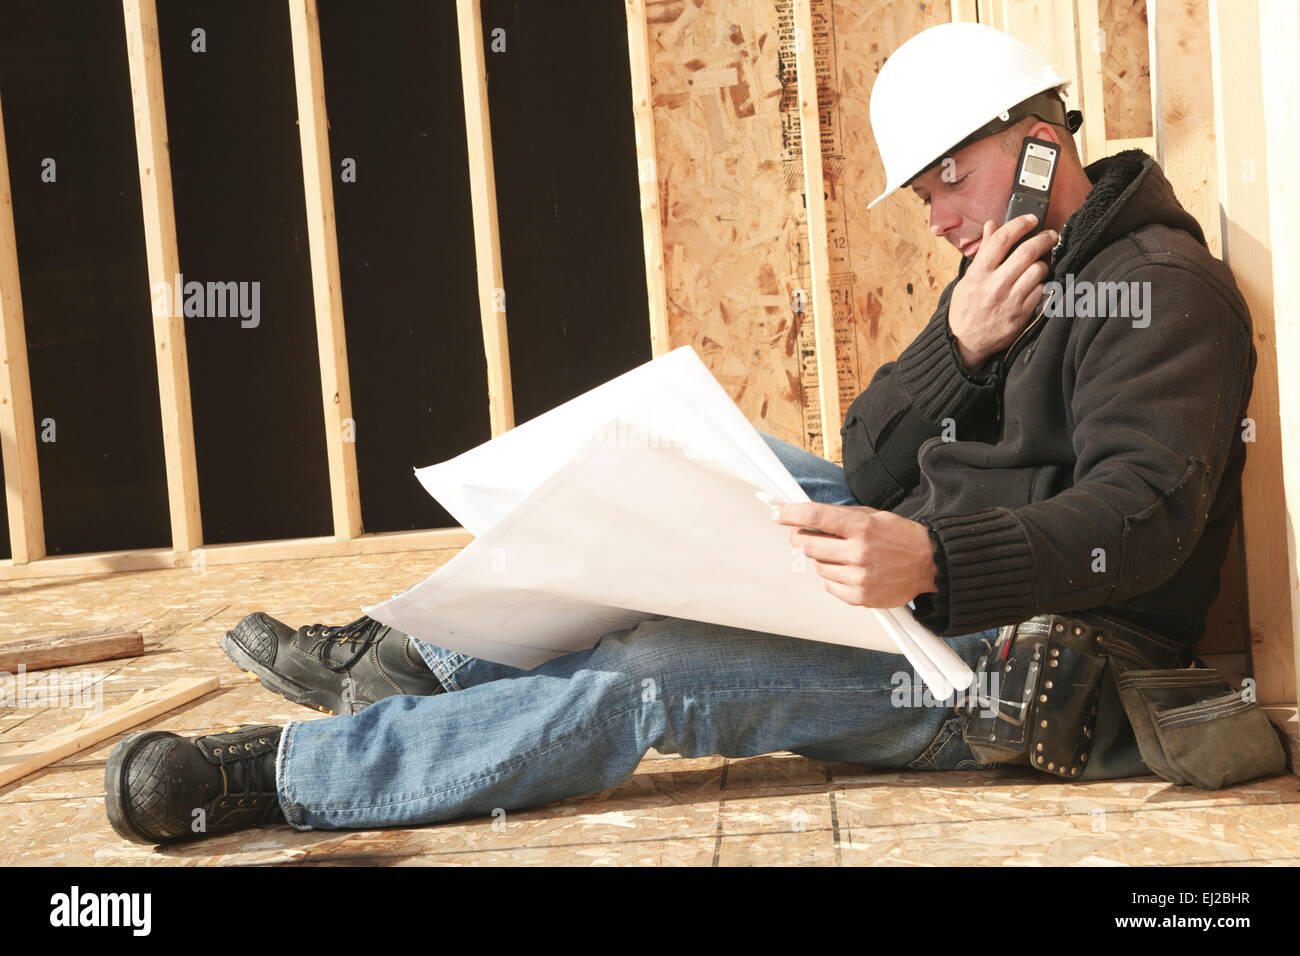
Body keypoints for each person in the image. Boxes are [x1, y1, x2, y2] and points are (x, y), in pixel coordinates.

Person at [104, 22, 1256, 844]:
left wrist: (937, 561)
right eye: (926, 198)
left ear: (1043, 138)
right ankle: (411, 662)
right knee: (665, 467)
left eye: (954, 181)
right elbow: (868, 459)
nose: (944, 220)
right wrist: (950, 349)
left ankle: (288, 773)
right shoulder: (1010, 275)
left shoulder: (1160, 291)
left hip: (1012, 664)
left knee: (654, 670)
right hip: (924, 580)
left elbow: (1140, 519)